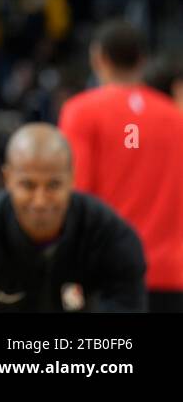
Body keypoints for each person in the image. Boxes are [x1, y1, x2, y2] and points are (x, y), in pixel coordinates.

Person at [0, 124, 146, 312]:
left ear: (72, 178)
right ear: (8, 178)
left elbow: (125, 303)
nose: (40, 201)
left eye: (53, 185)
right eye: (28, 185)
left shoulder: (110, 236)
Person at [58, 20, 183, 312]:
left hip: (110, 274)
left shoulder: (81, 112)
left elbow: (76, 194)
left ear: (98, 58)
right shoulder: (176, 119)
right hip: (171, 274)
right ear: (143, 59)